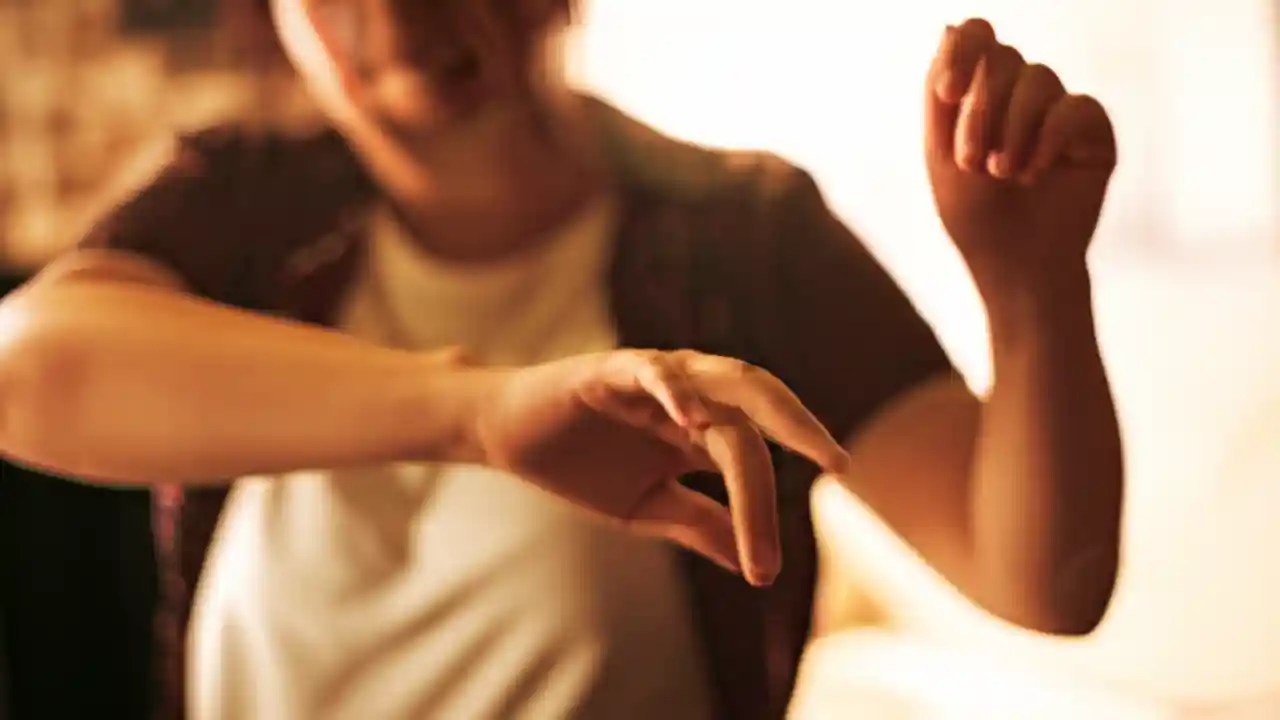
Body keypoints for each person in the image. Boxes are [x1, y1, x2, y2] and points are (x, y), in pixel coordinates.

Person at [0, 1, 1124, 718]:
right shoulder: (242, 210)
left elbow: (1039, 578)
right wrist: (481, 411)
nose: (392, 20)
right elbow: (28, 369)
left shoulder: (742, 235)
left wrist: (1029, 287)